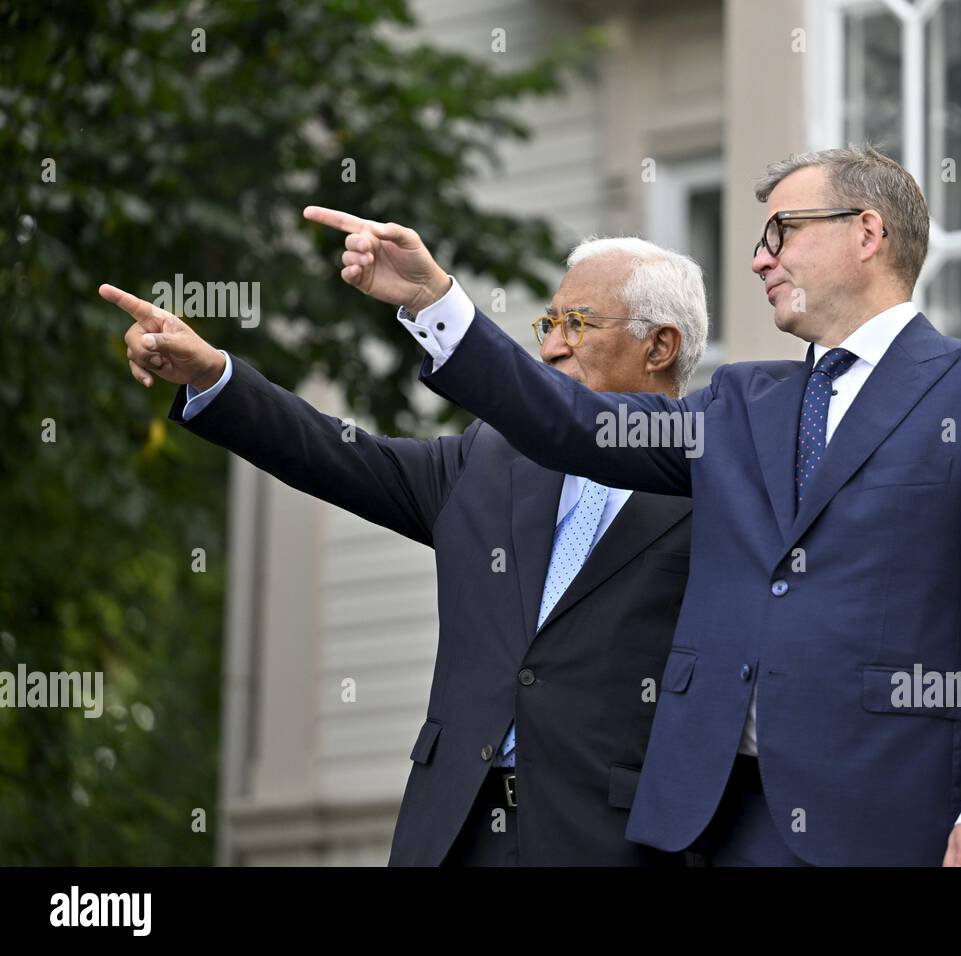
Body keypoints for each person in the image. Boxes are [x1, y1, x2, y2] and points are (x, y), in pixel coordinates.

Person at [302, 144, 961, 866]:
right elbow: (574, 425)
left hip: (888, 809)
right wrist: (437, 303)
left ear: (866, 233)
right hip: (713, 822)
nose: (758, 257)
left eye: (782, 231)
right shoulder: (742, 403)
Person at [99, 231, 709, 866]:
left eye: (577, 324)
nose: (552, 344)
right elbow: (334, 453)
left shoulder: (716, 488)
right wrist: (211, 373)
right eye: (549, 322)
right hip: (451, 834)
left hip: (612, 843)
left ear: (659, 345)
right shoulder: (490, 459)